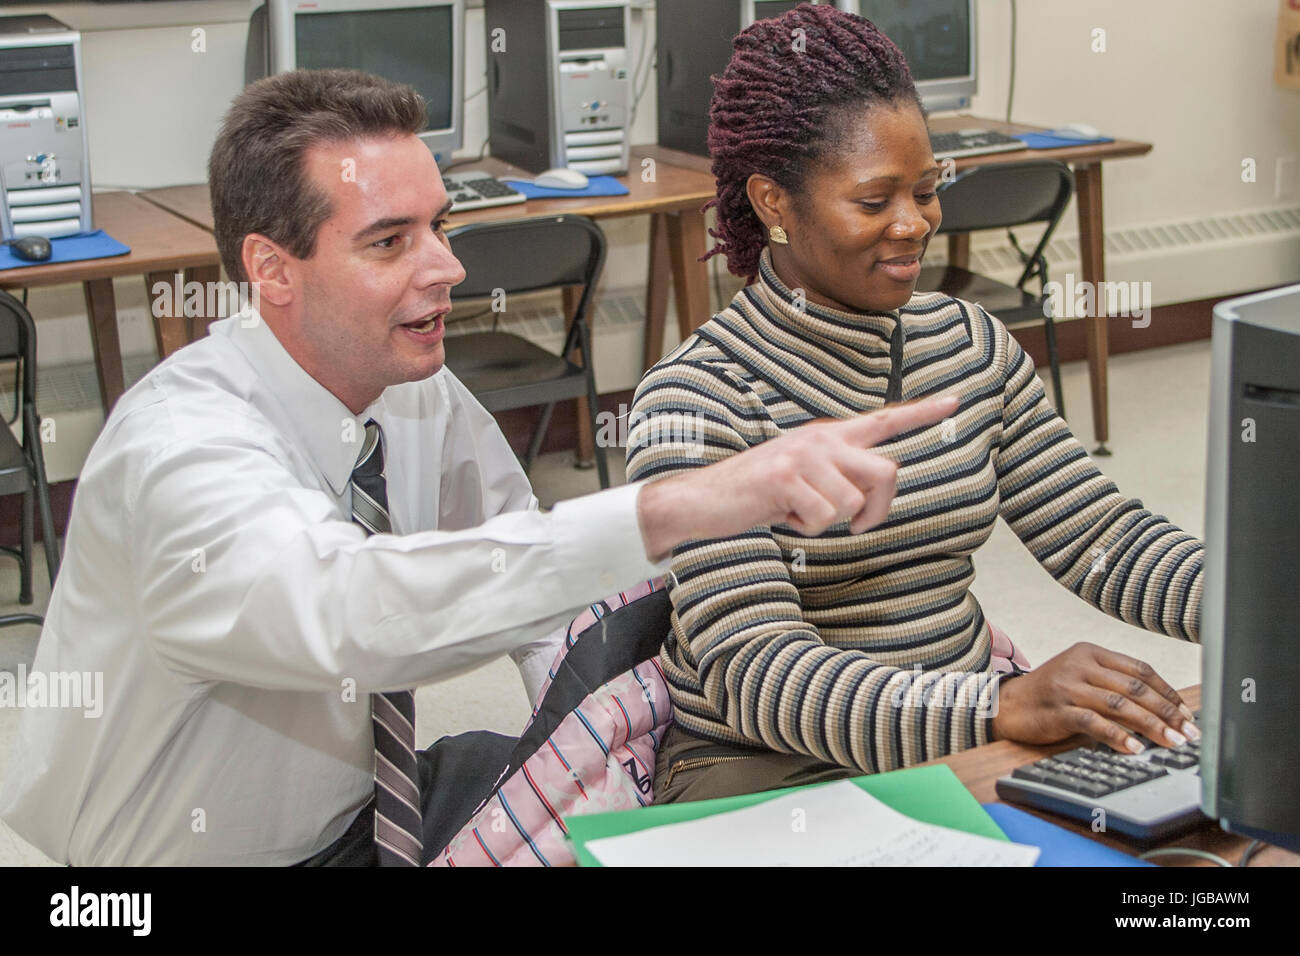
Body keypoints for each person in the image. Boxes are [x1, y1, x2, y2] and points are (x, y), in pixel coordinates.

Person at [0, 68, 955, 866]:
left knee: (636, 830)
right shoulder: (180, 453)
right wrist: (677, 505)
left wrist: (594, 746)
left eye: (439, 227)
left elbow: (529, 575)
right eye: (390, 241)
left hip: (363, 818)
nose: (447, 268)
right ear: (272, 269)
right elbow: (353, 615)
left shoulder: (409, 384)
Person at [626, 5, 1202, 805]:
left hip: (959, 725)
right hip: (772, 763)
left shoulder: (967, 344)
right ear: (773, 203)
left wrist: (1258, 599)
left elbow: (1100, 537)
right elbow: (756, 672)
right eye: (873, 202)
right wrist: (996, 706)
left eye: (927, 190)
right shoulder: (696, 398)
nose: (915, 223)